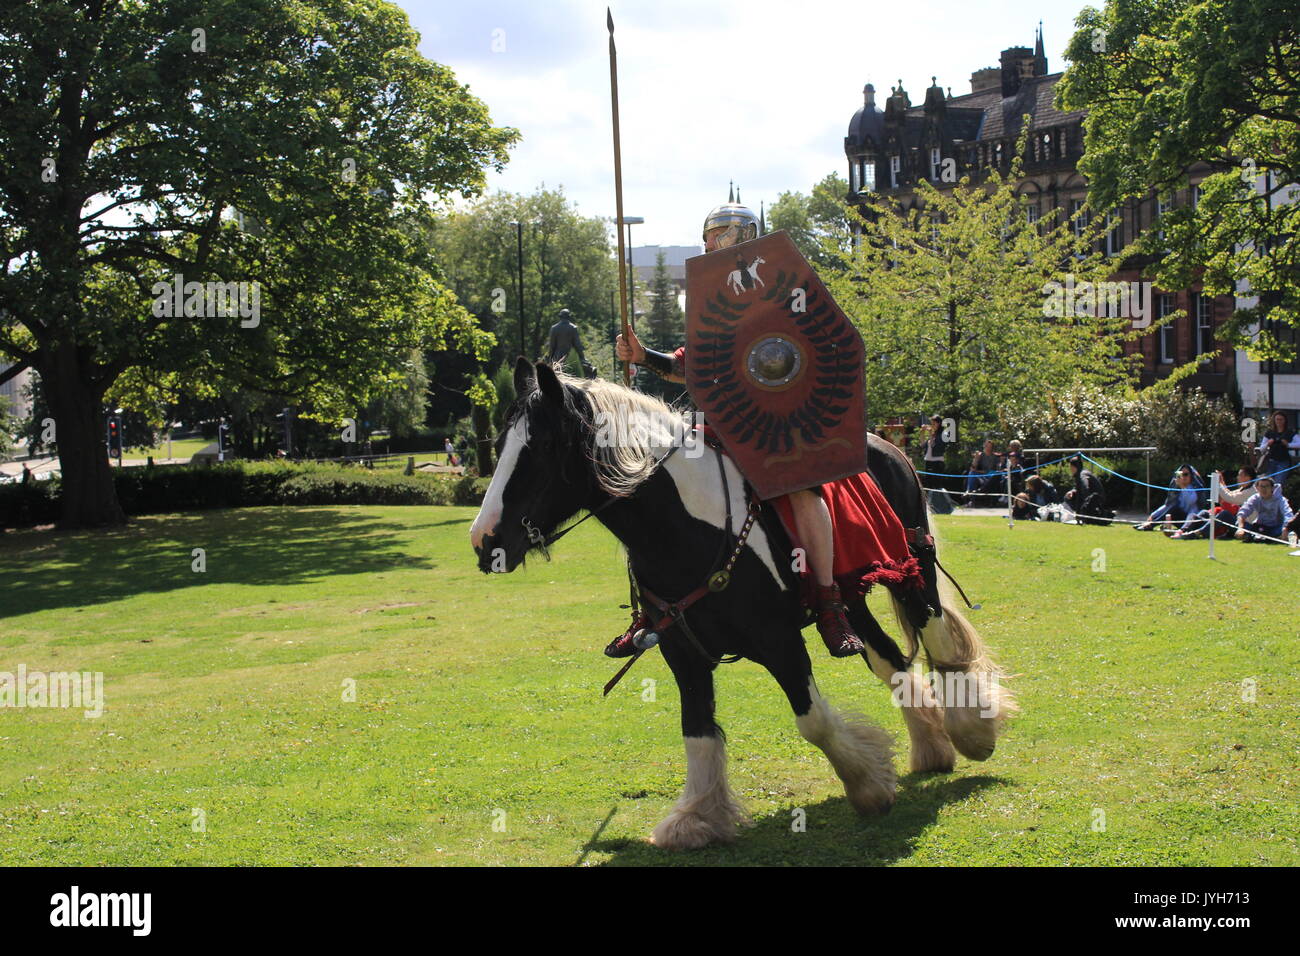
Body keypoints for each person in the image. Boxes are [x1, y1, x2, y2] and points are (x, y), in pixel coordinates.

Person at [612, 198, 912, 660]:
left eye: (729, 236)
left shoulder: (787, 292)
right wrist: (643, 356)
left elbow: (817, 350)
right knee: (648, 492)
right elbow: (689, 367)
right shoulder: (710, 299)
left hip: (779, 426)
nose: (721, 243)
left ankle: (831, 604)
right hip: (719, 426)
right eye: (715, 236)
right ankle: (649, 611)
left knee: (800, 489)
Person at [1172, 466, 1254, 539]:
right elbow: (1230, 493)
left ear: (1248, 477)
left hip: (1244, 526)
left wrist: (1218, 483)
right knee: (1202, 513)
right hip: (1236, 521)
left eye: (1240, 475)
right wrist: (1221, 482)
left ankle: (1198, 533)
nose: (1237, 477)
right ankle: (1181, 531)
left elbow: (1229, 498)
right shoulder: (1244, 489)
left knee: (1224, 514)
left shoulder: (1250, 491)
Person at [1235, 476, 1295, 542]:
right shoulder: (1255, 498)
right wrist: (1240, 528)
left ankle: (1274, 537)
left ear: (1272, 488)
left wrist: (1285, 528)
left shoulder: (1280, 499)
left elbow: (1288, 514)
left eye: (1267, 486)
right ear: (1257, 488)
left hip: (1275, 528)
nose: (1264, 489)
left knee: (1289, 529)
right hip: (1259, 527)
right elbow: (1243, 512)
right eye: (1261, 486)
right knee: (1238, 523)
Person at [1063, 455, 1113, 525]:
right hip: (1094, 499)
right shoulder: (1081, 473)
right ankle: (1080, 515)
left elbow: (1085, 486)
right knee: (1068, 496)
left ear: (1073, 467)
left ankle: (1082, 515)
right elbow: (1079, 487)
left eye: (1070, 467)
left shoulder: (1082, 475)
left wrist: (1084, 503)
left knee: (1068, 499)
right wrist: (1073, 491)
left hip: (1096, 501)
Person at [546, 308, 593, 376]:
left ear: (560, 316)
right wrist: (582, 357)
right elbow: (577, 344)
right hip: (570, 357)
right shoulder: (573, 328)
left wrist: (550, 359)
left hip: (557, 357)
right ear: (569, 317)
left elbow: (552, 346)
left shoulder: (554, 328)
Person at [1256, 410, 1299, 479]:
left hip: (1283, 461)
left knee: (1279, 481)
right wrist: (1268, 444)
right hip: (1271, 460)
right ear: (1274, 420)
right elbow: (1262, 448)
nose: (1279, 421)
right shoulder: (1270, 432)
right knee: (1269, 481)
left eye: (1281, 419)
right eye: (1277, 419)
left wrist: (1288, 444)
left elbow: (1299, 443)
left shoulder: (1289, 432)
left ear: (1285, 420)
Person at [960, 440, 1002, 505]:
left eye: (989, 446)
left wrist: (977, 471)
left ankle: (973, 492)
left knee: (989, 474)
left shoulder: (995, 457)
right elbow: (973, 468)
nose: (987, 448)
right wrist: (976, 458)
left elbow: (988, 470)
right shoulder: (981, 455)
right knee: (971, 473)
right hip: (982, 475)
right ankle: (969, 492)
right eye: (986, 446)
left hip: (991, 475)